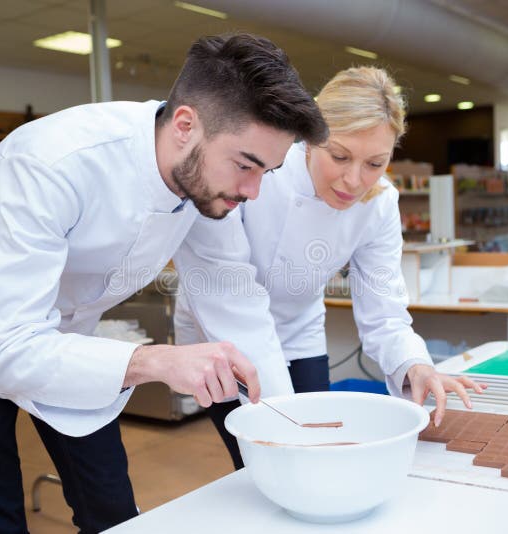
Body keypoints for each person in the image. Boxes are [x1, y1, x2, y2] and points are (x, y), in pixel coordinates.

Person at [0, 33, 327, 532]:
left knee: (110, 508)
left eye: (268, 172)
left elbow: (234, 298)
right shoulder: (51, 163)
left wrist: (286, 431)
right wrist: (154, 361)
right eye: (245, 165)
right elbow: (4, 347)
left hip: (66, 332)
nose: (253, 191)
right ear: (185, 126)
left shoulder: (207, 185)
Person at [173, 66, 486, 470]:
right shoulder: (262, 171)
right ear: (309, 137)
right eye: (339, 156)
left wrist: (416, 365)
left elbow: (385, 314)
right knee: (267, 461)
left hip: (300, 329)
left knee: (318, 457)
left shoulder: (380, 204)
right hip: (223, 330)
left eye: (375, 163)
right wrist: (288, 420)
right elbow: (234, 298)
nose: (354, 180)